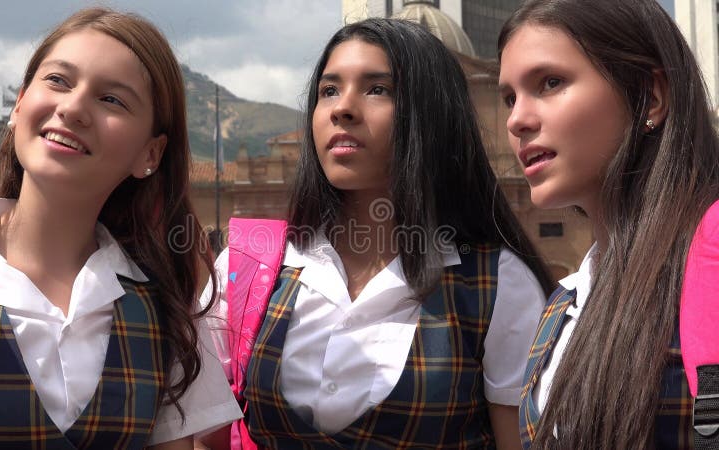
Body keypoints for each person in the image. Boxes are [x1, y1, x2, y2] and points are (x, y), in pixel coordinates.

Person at [200, 18, 554, 450]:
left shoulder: (497, 285)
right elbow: (207, 439)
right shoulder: (248, 268)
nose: (342, 108)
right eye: (328, 90)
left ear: (431, 116)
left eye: (377, 89)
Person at [0, 7, 242, 449]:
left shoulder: (165, 309)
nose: (72, 108)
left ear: (151, 153)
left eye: (112, 100)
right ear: (18, 104)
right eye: (58, 80)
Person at [496, 0, 719, 448]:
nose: (517, 119)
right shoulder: (564, 302)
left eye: (550, 82)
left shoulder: (709, 262)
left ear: (650, 96)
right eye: (508, 98)